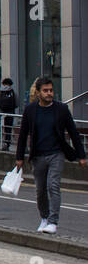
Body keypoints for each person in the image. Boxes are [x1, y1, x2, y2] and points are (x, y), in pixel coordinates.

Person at [14, 76, 87, 234]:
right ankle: (45, 218)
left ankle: (53, 222)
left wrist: (81, 155)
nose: (49, 93)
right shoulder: (31, 110)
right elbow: (23, 134)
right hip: (38, 156)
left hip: (57, 154)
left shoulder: (61, 109)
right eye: (45, 91)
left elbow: (73, 133)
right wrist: (19, 157)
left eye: (51, 90)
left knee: (53, 186)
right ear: (38, 93)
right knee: (40, 191)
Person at [0, 77, 18, 151]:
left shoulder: (0, 91)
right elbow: (17, 103)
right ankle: (7, 143)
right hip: (10, 113)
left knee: (2, 128)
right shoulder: (13, 91)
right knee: (8, 129)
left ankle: (2, 143)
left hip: (1, 112)